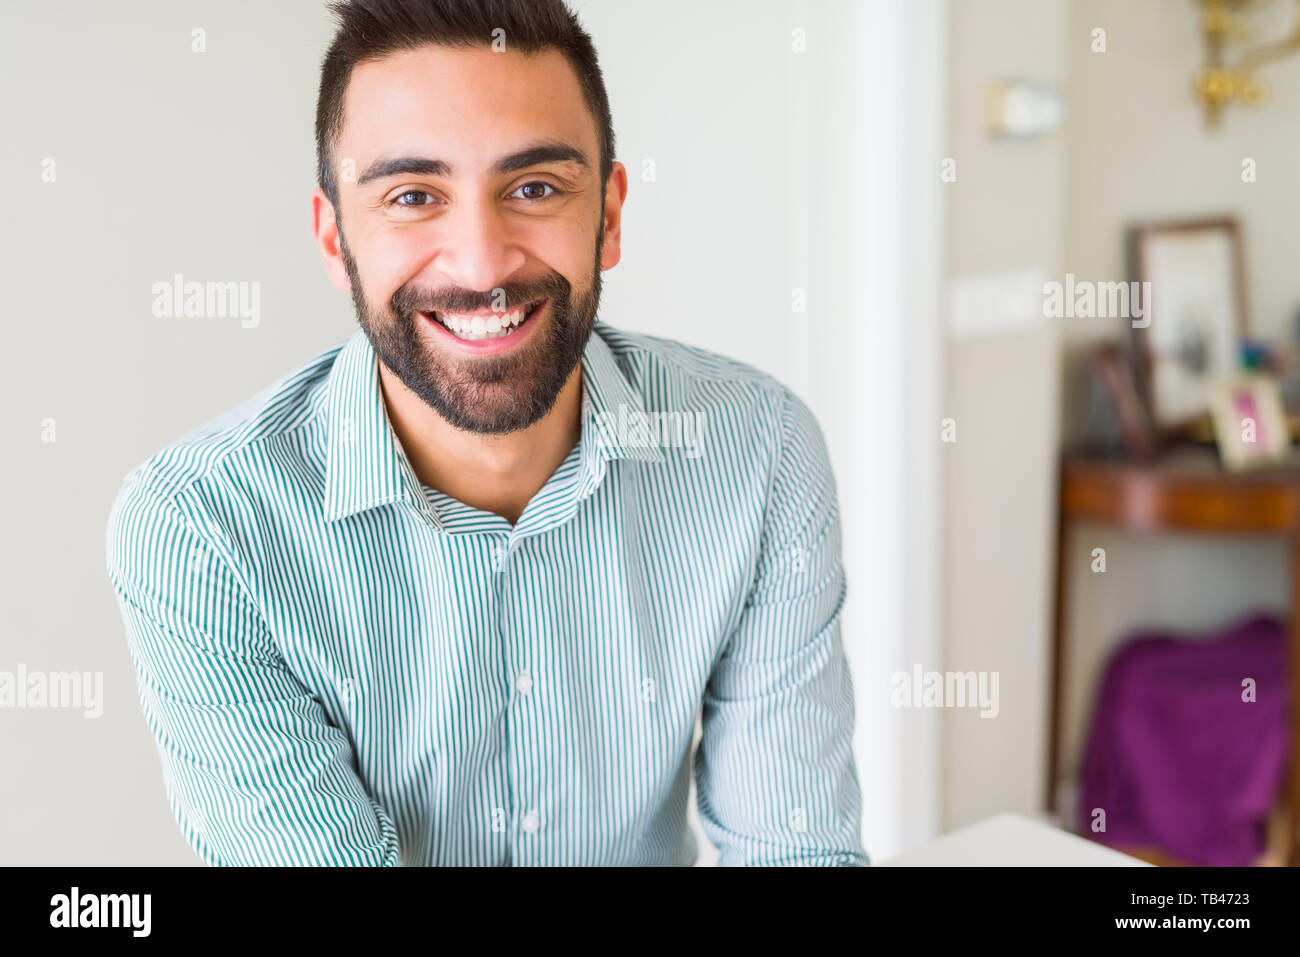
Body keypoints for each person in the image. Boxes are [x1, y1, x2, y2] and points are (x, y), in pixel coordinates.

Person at [105, 0, 868, 866]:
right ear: (334, 238)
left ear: (608, 217)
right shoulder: (202, 531)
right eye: (413, 196)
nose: (481, 263)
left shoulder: (758, 452)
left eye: (535, 187)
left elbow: (795, 851)